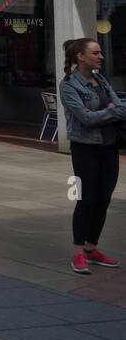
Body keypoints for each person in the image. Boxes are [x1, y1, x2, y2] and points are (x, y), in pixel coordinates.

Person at [59, 38, 126, 274]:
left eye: (100, 53)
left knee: (103, 199)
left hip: (109, 146)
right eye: (96, 53)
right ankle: (78, 253)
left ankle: (92, 248)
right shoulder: (68, 85)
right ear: (80, 56)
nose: (101, 57)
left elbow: (120, 107)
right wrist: (109, 110)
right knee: (85, 200)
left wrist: (106, 110)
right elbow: (84, 119)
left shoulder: (100, 79)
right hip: (84, 148)